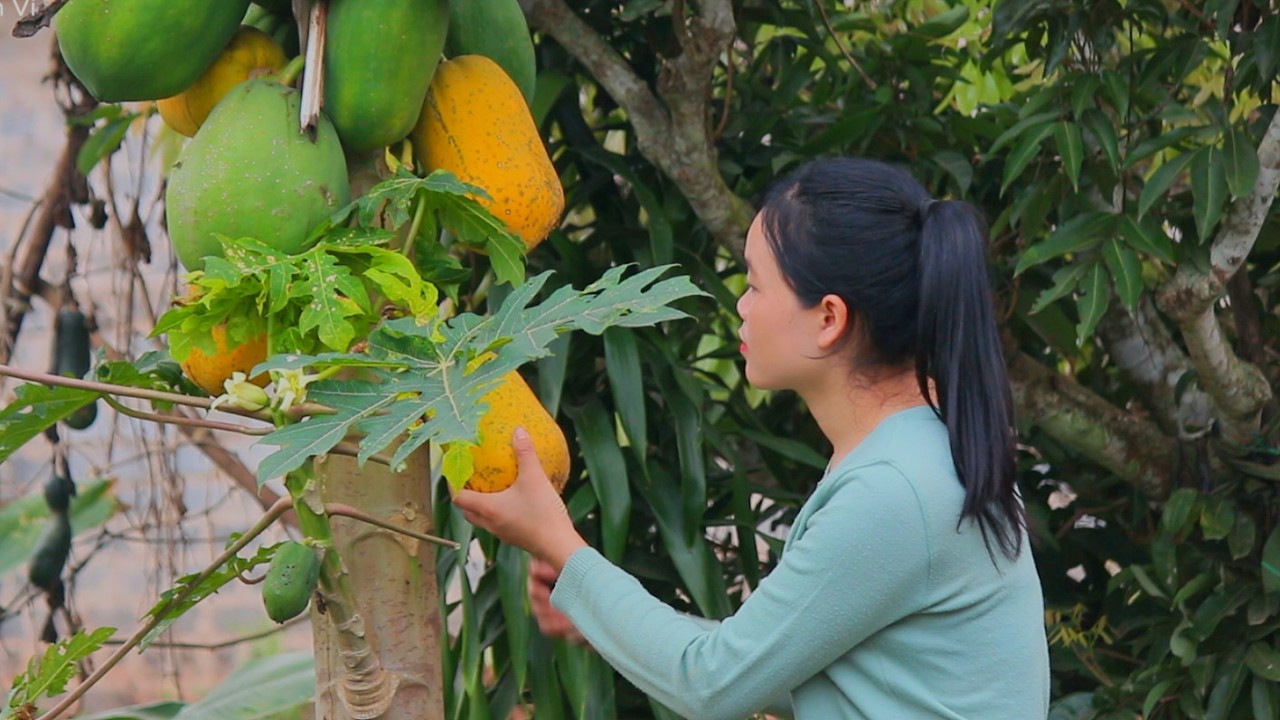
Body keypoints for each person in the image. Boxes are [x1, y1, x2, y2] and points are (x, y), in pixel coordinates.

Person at [452, 156, 1051, 719]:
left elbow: (711, 682)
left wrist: (558, 542)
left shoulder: (894, 492)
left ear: (829, 318)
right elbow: (803, 669)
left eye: (756, 284)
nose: (740, 305)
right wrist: (604, 616)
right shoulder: (922, 456)